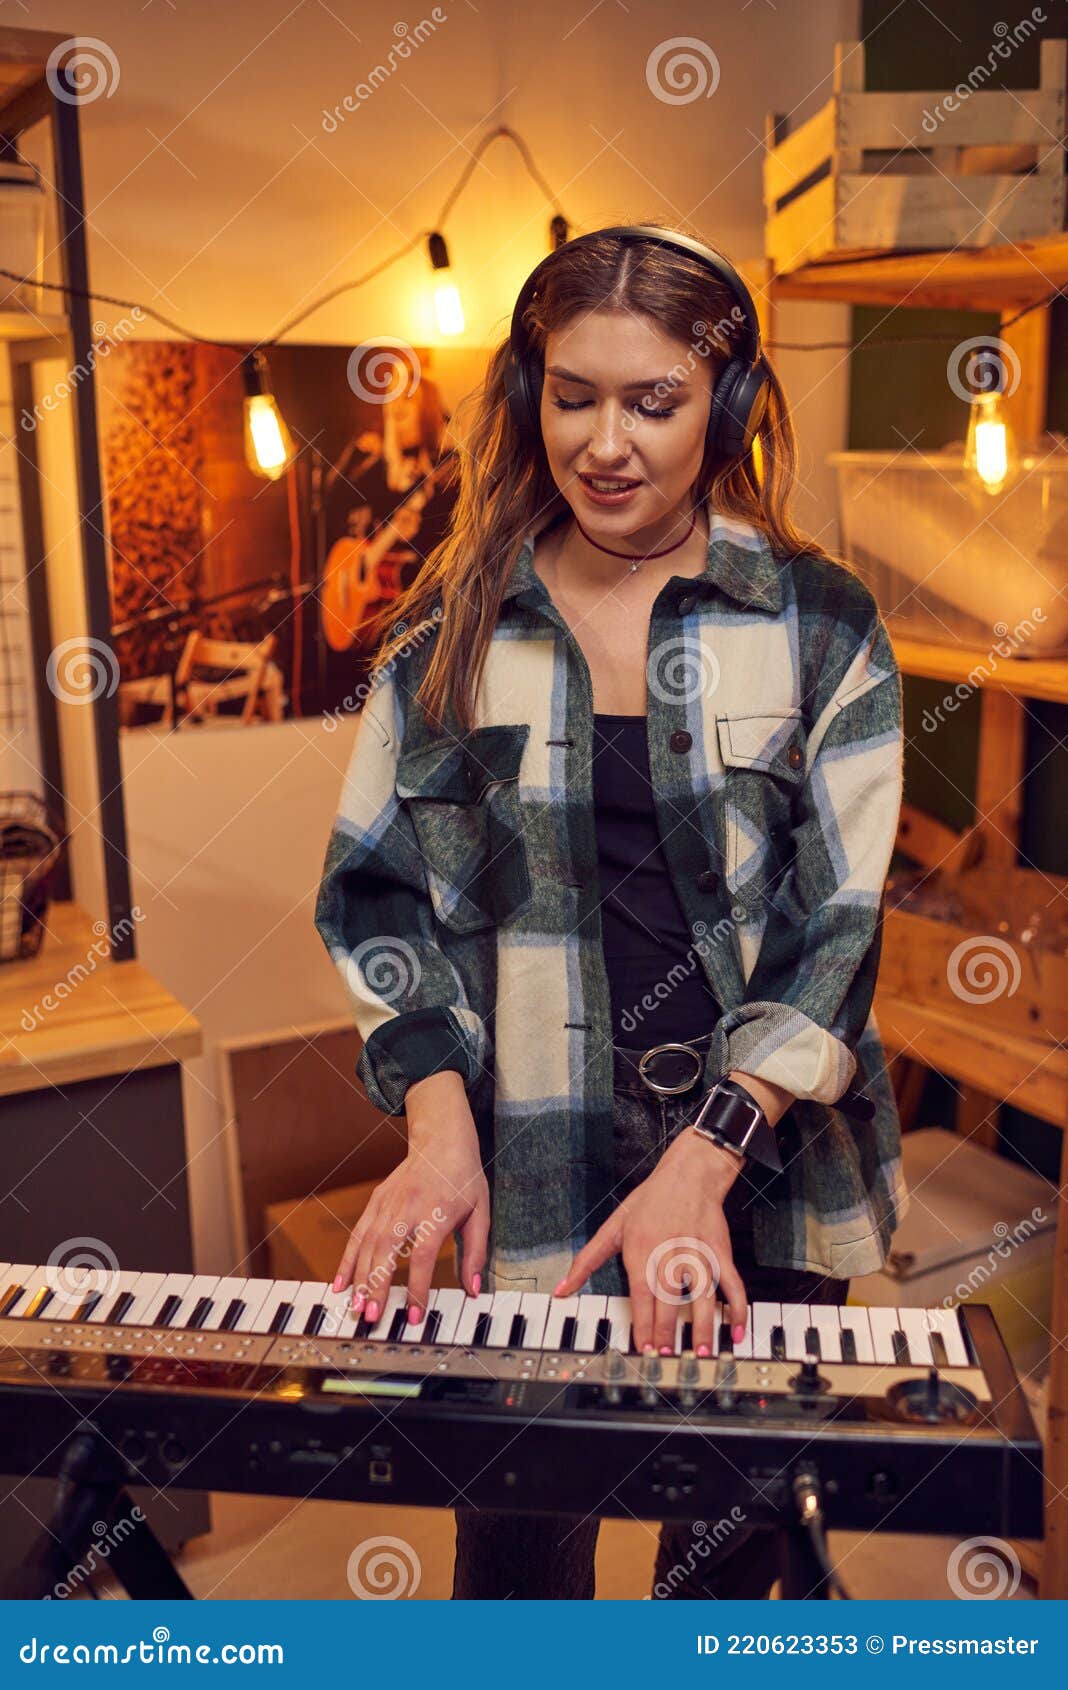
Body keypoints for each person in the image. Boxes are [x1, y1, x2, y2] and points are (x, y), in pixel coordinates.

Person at [313, 223, 907, 1600]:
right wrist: (438, 1130)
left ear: (730, 406)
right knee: (514, 1566)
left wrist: (700, 1162)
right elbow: (377, 898)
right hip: (529, 1166)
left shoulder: (824, 627)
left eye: (655, 402)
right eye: (574, 394)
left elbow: (840, 928)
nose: (607, 442)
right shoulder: (446, 639)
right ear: (530, 398)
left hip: (760, 1174)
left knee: (726, 1570)